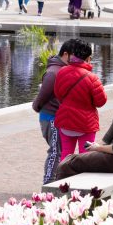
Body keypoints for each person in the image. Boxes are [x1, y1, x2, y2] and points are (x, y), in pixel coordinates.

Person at [54, 75, 113, 180]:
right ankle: (72, 191)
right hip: (111, 155)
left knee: (68, 164)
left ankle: (61, 194)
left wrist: (97, 148)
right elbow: (107, 138)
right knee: (69, 158)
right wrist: (95, 148)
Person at [53, 39, 107, 162]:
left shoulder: (61, 72)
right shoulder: (92, 78)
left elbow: (58, 94)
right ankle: (83, 180)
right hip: (86, 123)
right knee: (86, 157)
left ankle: (63, 179)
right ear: (88, 58)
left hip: (65, 120)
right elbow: (101, 102)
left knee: (66, 155)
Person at [33, 39, 76, 185]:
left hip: (56, 117)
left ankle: (55, 181)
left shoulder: (60, 69)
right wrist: (36, 106)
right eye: (74, 56)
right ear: (65, 54)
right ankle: (48, 183)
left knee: (59, 150)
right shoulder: (54, 72)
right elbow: (42, 96)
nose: (76, 60)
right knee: (55, 151)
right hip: (51, 117)